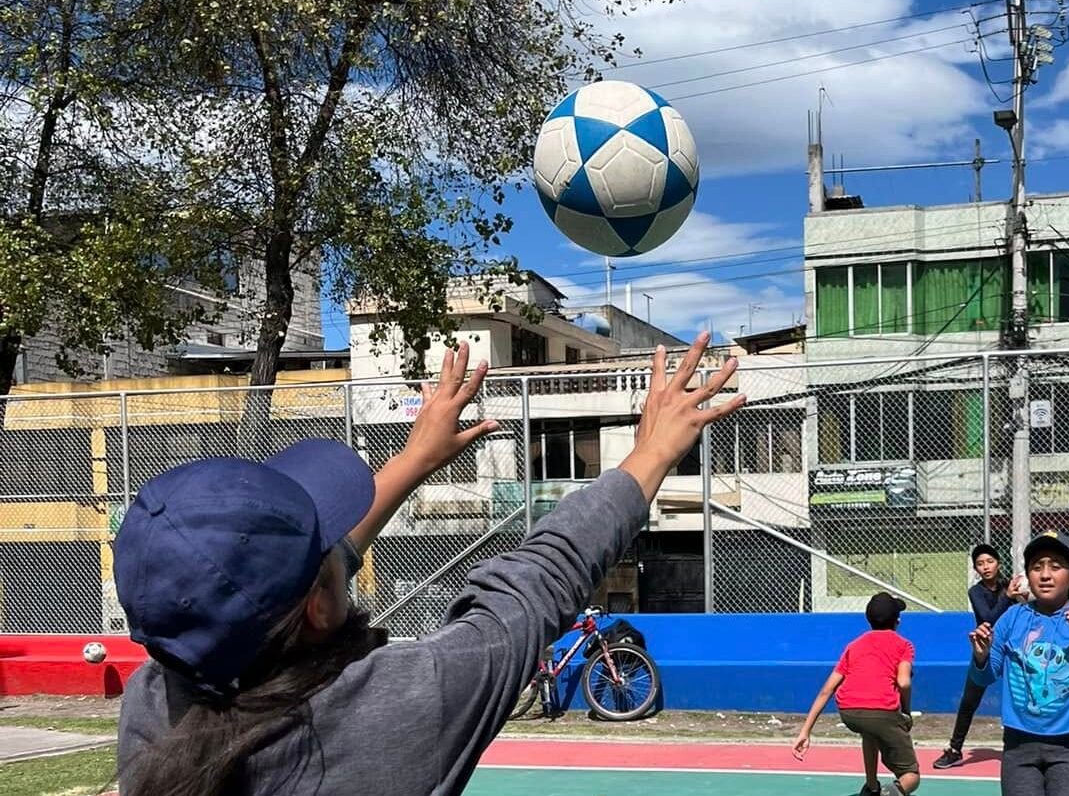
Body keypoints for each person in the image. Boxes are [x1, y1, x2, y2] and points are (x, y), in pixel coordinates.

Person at [113, 333, 744, 796]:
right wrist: (651, 455)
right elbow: (538, 579)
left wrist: (413, 460)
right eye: (326, 549)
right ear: (317, 606)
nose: (340, 543)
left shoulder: (153, 707)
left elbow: (268, 594)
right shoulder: (403, 703)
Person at [968, 530, 1069, 796]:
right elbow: (983, 678)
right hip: (1019, 745)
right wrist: (981, 656)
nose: (1045, 575)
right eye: (1036, 567)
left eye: (1056, 567)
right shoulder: (1011, 619)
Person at [792, 592, 920, 796]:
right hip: (882, 712)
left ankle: (871, 786)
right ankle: (888, 794)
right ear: (898, 620)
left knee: (868, 732)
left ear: (868, 620)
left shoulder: (854, 645)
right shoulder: (904, 645)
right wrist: (906, 712)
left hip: (849, 712)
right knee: (911, 776)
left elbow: (827, 689)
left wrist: (805, 731)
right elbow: (904, 682)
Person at [933, 543, 1025, 769]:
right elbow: (987, 618)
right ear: (976, 568)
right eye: (980, 564)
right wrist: (1008, 597)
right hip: (986, 648)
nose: (986, 567)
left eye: (990, 562)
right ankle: (954, 750)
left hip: (1013, 648)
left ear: (999, 563)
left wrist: (1018, 595)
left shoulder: (1011, 585)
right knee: (969, 700)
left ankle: (1026, 747)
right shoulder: (975, 591)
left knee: (1022, 695)